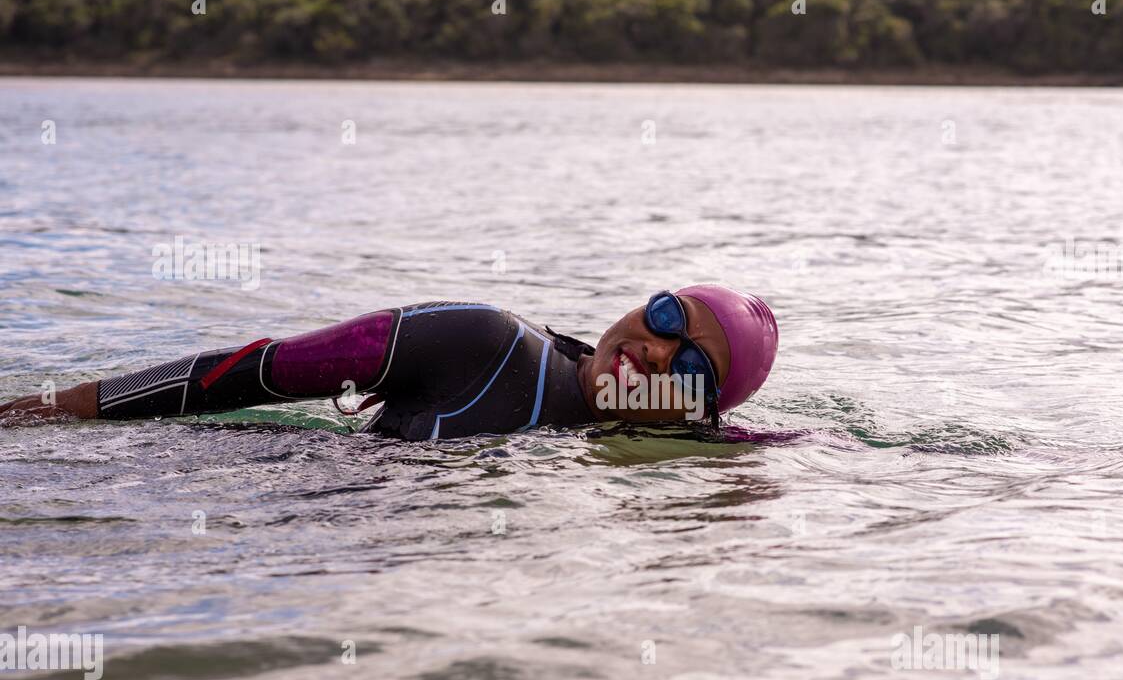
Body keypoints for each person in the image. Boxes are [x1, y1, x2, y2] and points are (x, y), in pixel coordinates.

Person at [0, 286, 779, 441]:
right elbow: (256, 372)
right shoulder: (480, 342)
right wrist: (53, 408)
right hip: (246, 501)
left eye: (695, 365)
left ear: (698, 409)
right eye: (670, 315)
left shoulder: (698, 452)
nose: (655, 344)